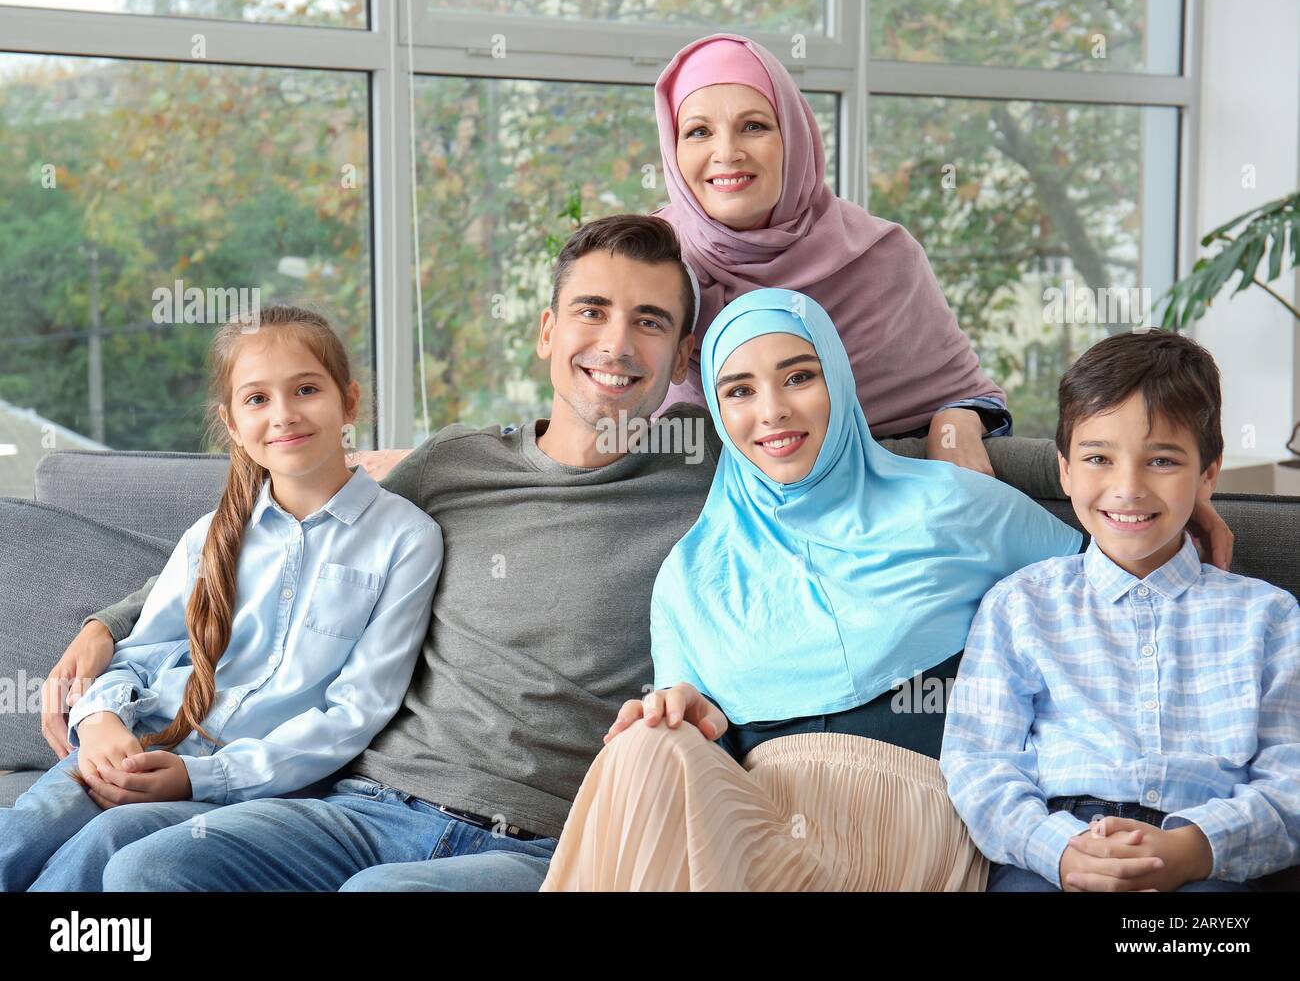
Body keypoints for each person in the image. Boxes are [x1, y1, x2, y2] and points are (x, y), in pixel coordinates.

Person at [41, 215, 718, 891]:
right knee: (144, 862)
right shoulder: (455, 466)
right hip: (365, 807)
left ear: (684, 357)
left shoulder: (714, 479)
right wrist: (110, 623)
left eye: (650, 322)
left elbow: (804, 446)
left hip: (541, 841)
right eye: (591, 311)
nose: (616, 342)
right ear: (547, 331)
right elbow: (298, 536)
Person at [539, 287, 1083, 891]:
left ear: (840, 384)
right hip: (754, 847)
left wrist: (1175, 482)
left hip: (910, 832)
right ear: (719, 413)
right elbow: (693, 763)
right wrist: (685, 719)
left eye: (798, 377)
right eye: (740, 391)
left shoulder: (952, 504)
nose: (771, 411)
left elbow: (1108, 577)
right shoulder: (691, 576)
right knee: (643, 744)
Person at [648, 33, 1235, 567]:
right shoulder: (652, 268)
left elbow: (964, 398)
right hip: (701, 531)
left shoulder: (879, 257)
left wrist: (1160, 498)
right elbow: (604, 416)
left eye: (754, 125)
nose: (726, 152)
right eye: (697, 131)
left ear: (795, 137)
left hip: (881, 541)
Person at [3, 305, 441, 891]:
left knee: (96, 853)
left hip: (240, 784)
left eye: (305, 389)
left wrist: (198, 778)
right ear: (232, 423)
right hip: (141, 739)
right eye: (257, 399)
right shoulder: (212, 534)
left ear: (350, 402)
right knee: (26, 832)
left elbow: (353, 715)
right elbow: (139, 654)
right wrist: (101, 717)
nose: (284, 414)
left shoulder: (406, 540)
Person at [940, 330, 1300, 892]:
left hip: (1205, 858)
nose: (1127, 488)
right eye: (1098, 459)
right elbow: (978, 765)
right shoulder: (1019, 605)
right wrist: (1056, 848)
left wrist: (1194, 848)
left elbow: (1292, 781)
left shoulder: (1271, 619)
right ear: (1065, 470)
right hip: (1057, 853)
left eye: (1161, 460)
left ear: (1208, 474)